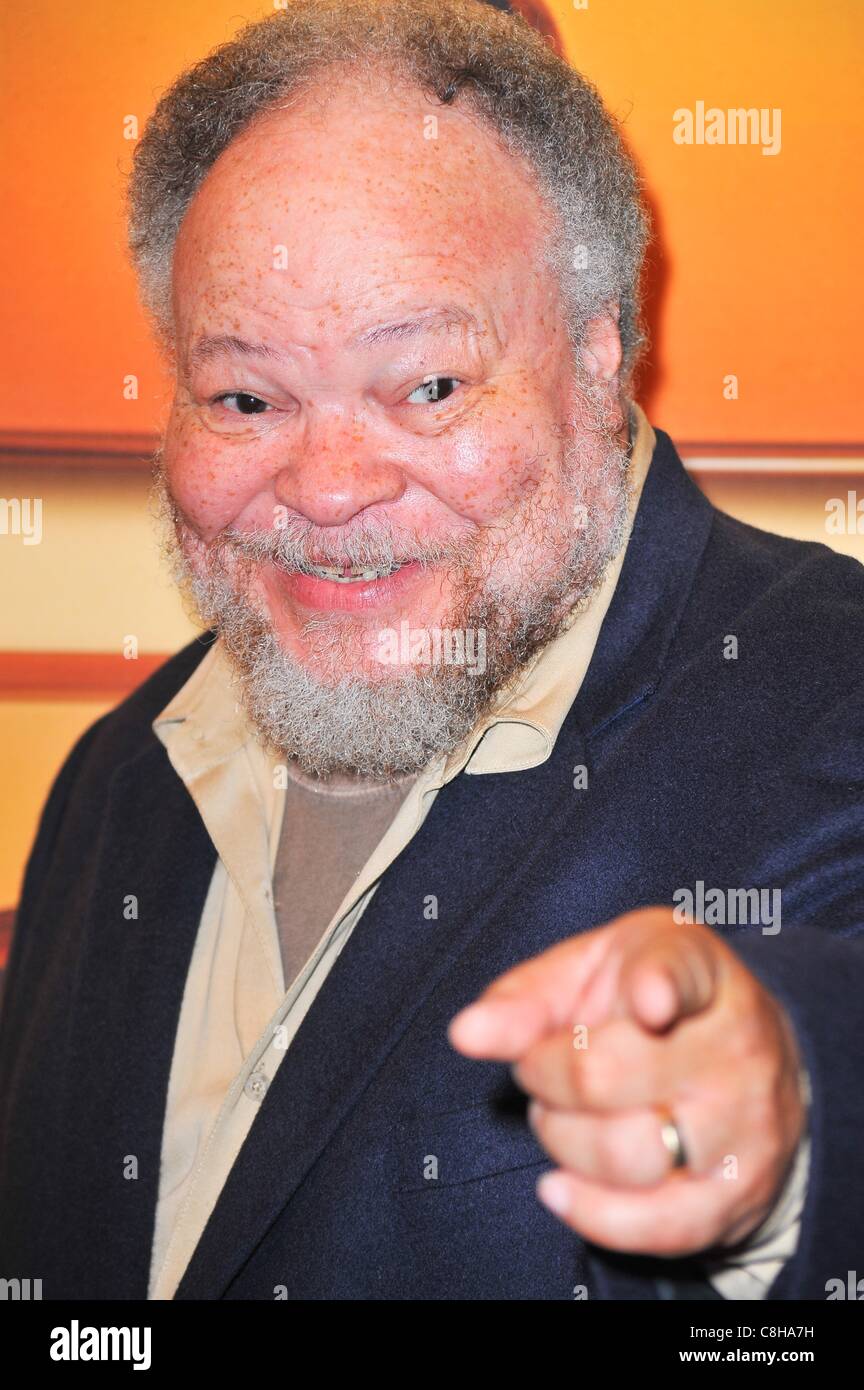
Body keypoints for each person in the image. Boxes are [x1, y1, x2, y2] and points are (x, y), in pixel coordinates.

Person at [0, 0, 861, 1302]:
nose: (329, 486)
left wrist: (790, 1113)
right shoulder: (113, 776)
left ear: (597, 353)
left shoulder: (833, 698)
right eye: (245, 396)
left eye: (428, 386)